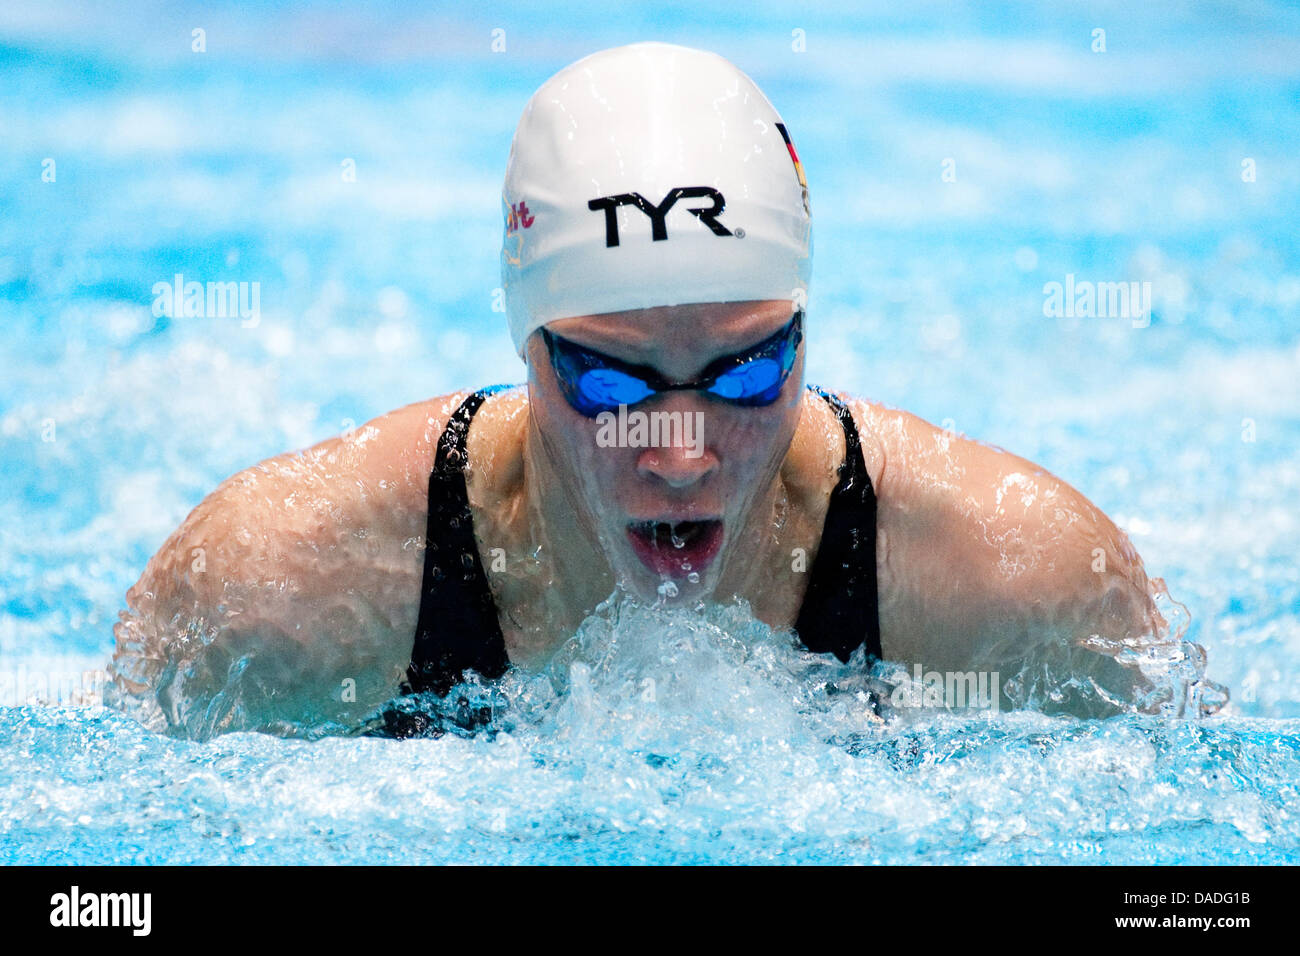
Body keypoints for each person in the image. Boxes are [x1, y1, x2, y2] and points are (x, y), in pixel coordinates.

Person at [110, 42, 1194, 736]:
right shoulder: (278, 591)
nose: (681, 450)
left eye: (748, 369)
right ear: (525, 347)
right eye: (613, 381)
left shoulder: (1019, 586)